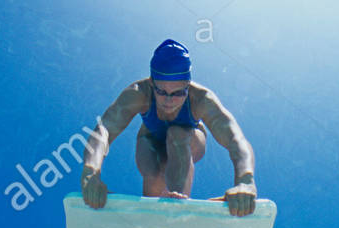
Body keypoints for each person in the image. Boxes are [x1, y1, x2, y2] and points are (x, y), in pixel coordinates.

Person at [81, 39, 257, 216]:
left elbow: (236, 139)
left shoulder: (202, 99)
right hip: (151, 140)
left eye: (178, 93)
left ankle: (176, 201)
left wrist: (245, 181)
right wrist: (91, 173)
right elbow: (103, 131)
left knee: (177, 134)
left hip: (190, 140)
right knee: (149, 160)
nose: (169, 100)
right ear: (151, 83)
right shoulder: (138, 93)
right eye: (161, 92)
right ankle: (155, 213)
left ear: (188, 86)